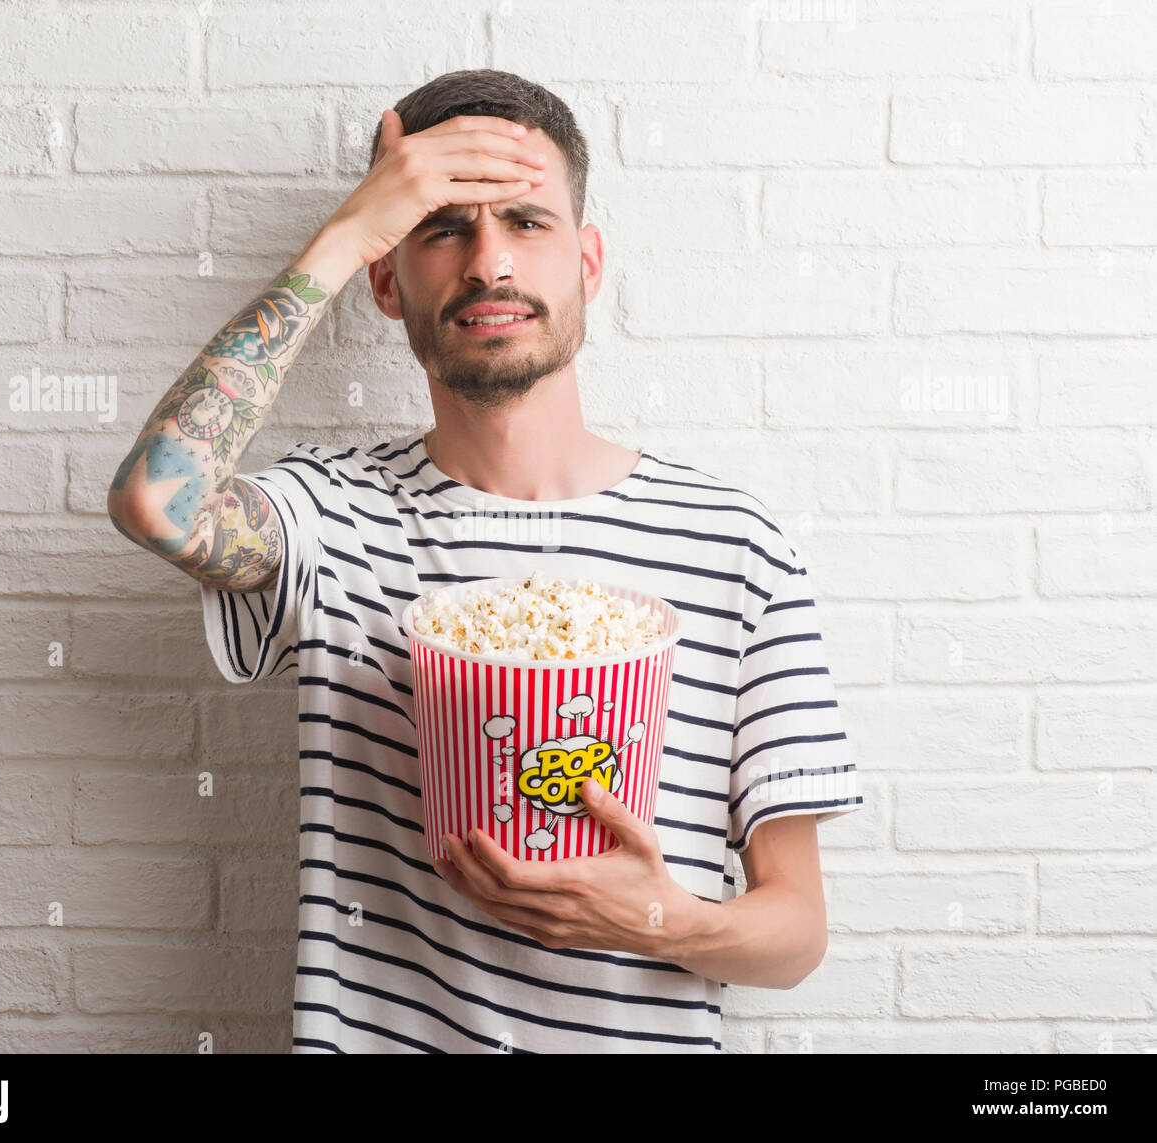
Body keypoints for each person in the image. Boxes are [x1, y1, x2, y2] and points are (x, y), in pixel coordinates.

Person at [106, 69, 863, 1053]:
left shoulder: (733, 545)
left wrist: (658, 919)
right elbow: (157, 502)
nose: (490, 262)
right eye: (440, 227)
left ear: (589, 263)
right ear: (386, 278)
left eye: (527, 221)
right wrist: (342, 237)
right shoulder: (334, 517)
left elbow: (794, 934)